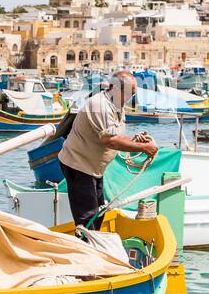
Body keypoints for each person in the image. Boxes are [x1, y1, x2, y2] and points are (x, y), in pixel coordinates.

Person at [57, 70, 158, 229]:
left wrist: (134, 140)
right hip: (78, 164)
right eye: (131, 93)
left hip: (93, 168)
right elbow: (111, 141)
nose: (132, 97)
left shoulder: (116, 105)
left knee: (98, 212)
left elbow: (117, 135)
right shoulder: (100, 105)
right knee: (87, 217)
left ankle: (93, 243)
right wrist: (144, 148)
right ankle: (88, 247)